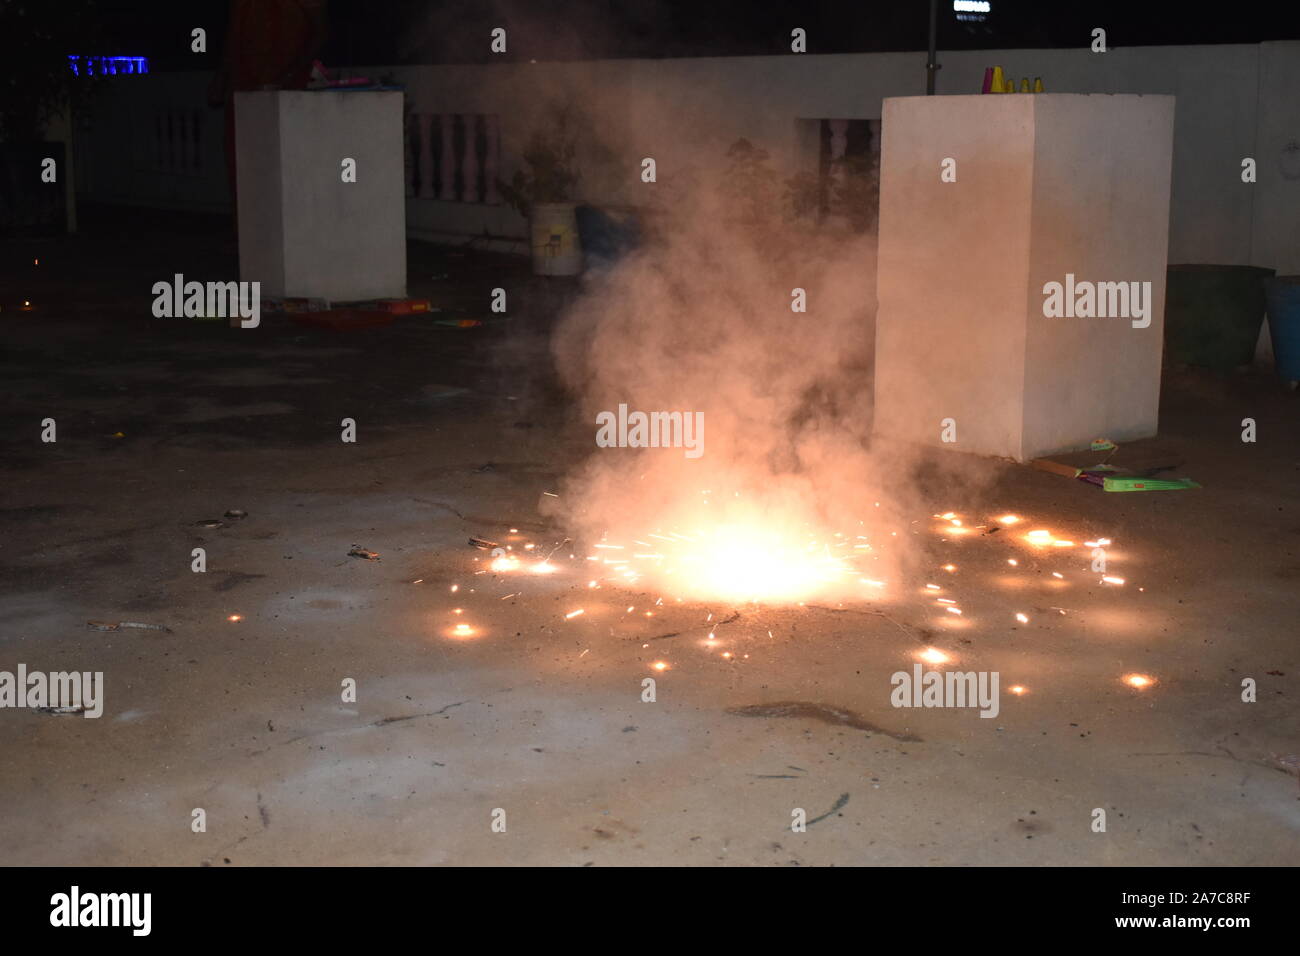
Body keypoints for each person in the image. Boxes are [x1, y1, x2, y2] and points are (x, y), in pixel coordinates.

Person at [207, 0, 328, 231]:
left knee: (284, 163)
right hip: (244, 88)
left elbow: (320, 34)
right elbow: (234, 37)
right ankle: (248, 234)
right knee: (243, 162)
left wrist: (291, 74)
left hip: (287, 90)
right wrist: (222, 76)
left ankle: (289, 230)